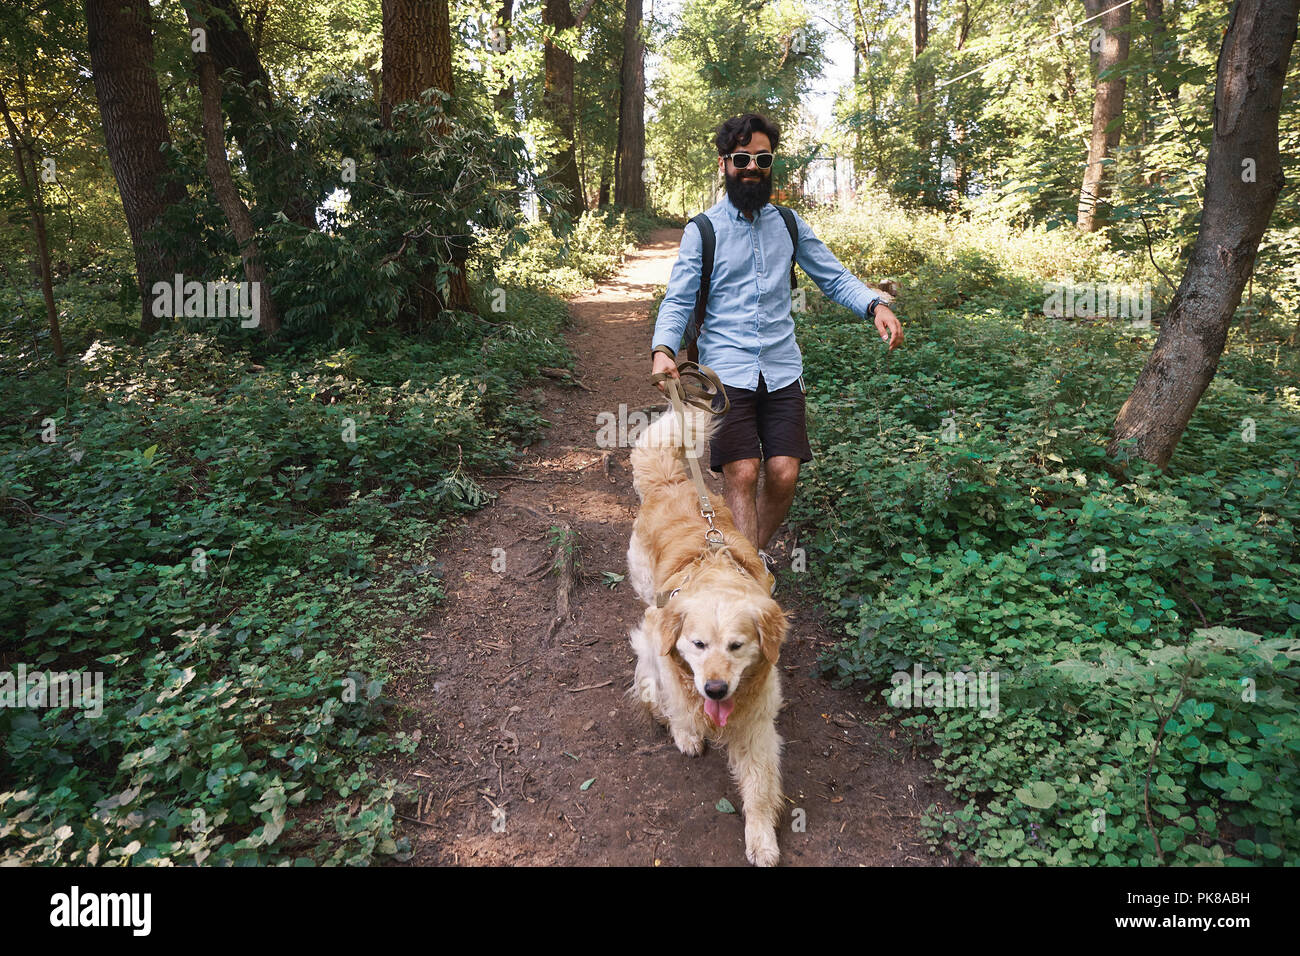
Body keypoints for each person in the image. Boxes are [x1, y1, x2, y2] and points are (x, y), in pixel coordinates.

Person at [650, 113, 903, 591]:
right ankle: (746, 584)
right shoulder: (702, 230)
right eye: (742, 159)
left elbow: (831, 275)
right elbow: (679, 299)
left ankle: (740, 561)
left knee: (783, 473)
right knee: (742, 472)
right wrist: (663, 348)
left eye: (762, 159)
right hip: (724, 372)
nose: (753, 167)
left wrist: (874, 304)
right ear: (725, 163)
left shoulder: (787, 223)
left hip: (783, 369)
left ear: (771, 164)